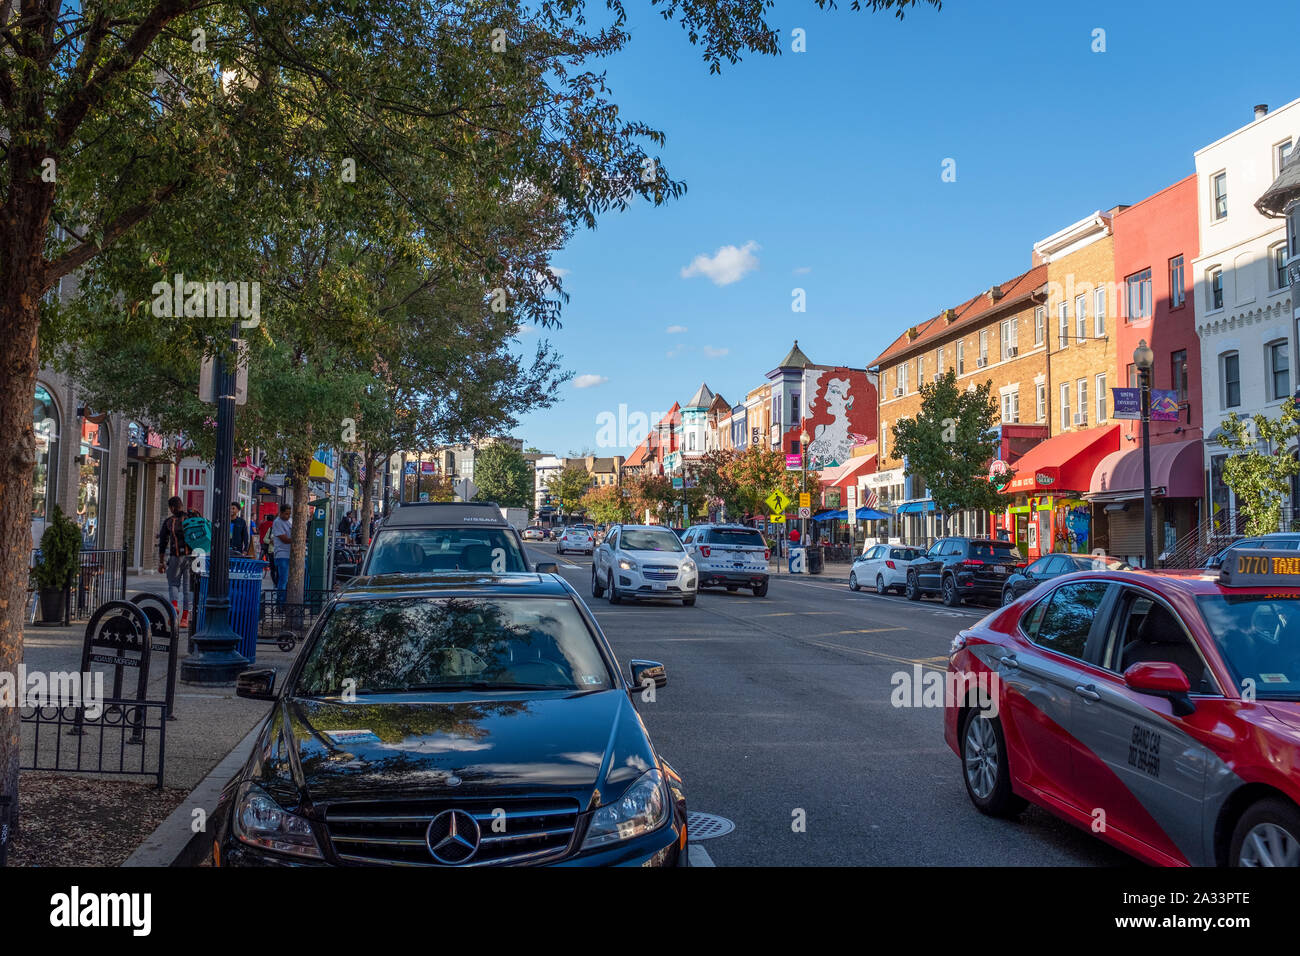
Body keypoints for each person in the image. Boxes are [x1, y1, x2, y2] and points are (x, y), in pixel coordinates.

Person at [156, 496, 191, 628]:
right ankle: (185, 618)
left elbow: (163, 543)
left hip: (175, 557)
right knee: (188, 588)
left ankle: (174, 606)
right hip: (190, 558)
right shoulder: (189, 519)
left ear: (172, 507)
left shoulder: (169, 522)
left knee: (173, 584)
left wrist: (161, 562)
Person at [272, 503, 293, 604]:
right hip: (282, 554)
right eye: (286, 514)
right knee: (283, 579)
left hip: (290, 553)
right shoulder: (277, 522)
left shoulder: (290, 520)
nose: (287, 516)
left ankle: (286, 601)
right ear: (280, 513)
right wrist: (297, 539)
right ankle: (280, 603)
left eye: (289, 514)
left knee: (289, 580)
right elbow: (284, 539)